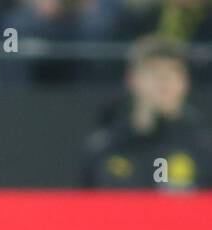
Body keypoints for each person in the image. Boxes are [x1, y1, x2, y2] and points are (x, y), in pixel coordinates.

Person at [81, 33, 212, 189]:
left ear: (185, 83)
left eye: (173, 72)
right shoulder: (104, 149)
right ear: (131, 80)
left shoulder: (203, 150)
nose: (163, 81)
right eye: (153, 72)